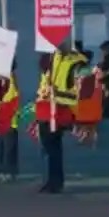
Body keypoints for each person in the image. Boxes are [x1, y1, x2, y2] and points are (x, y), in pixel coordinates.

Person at [33, 46, 86, 194]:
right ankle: (51, 180)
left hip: (61, 109)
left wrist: (56, 94)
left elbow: (78, 91)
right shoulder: (51, 60)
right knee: (48, 147)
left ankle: (55, 182)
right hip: (46, 109)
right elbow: (44, 86)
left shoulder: (76, 63)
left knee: (52, 148)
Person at [0, 60, 20, 183]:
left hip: (9, 120)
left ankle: (9, 172)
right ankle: (1, 170)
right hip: (0, 119)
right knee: (1, 146)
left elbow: (13, 98)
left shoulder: (11, 80)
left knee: (9, 148)